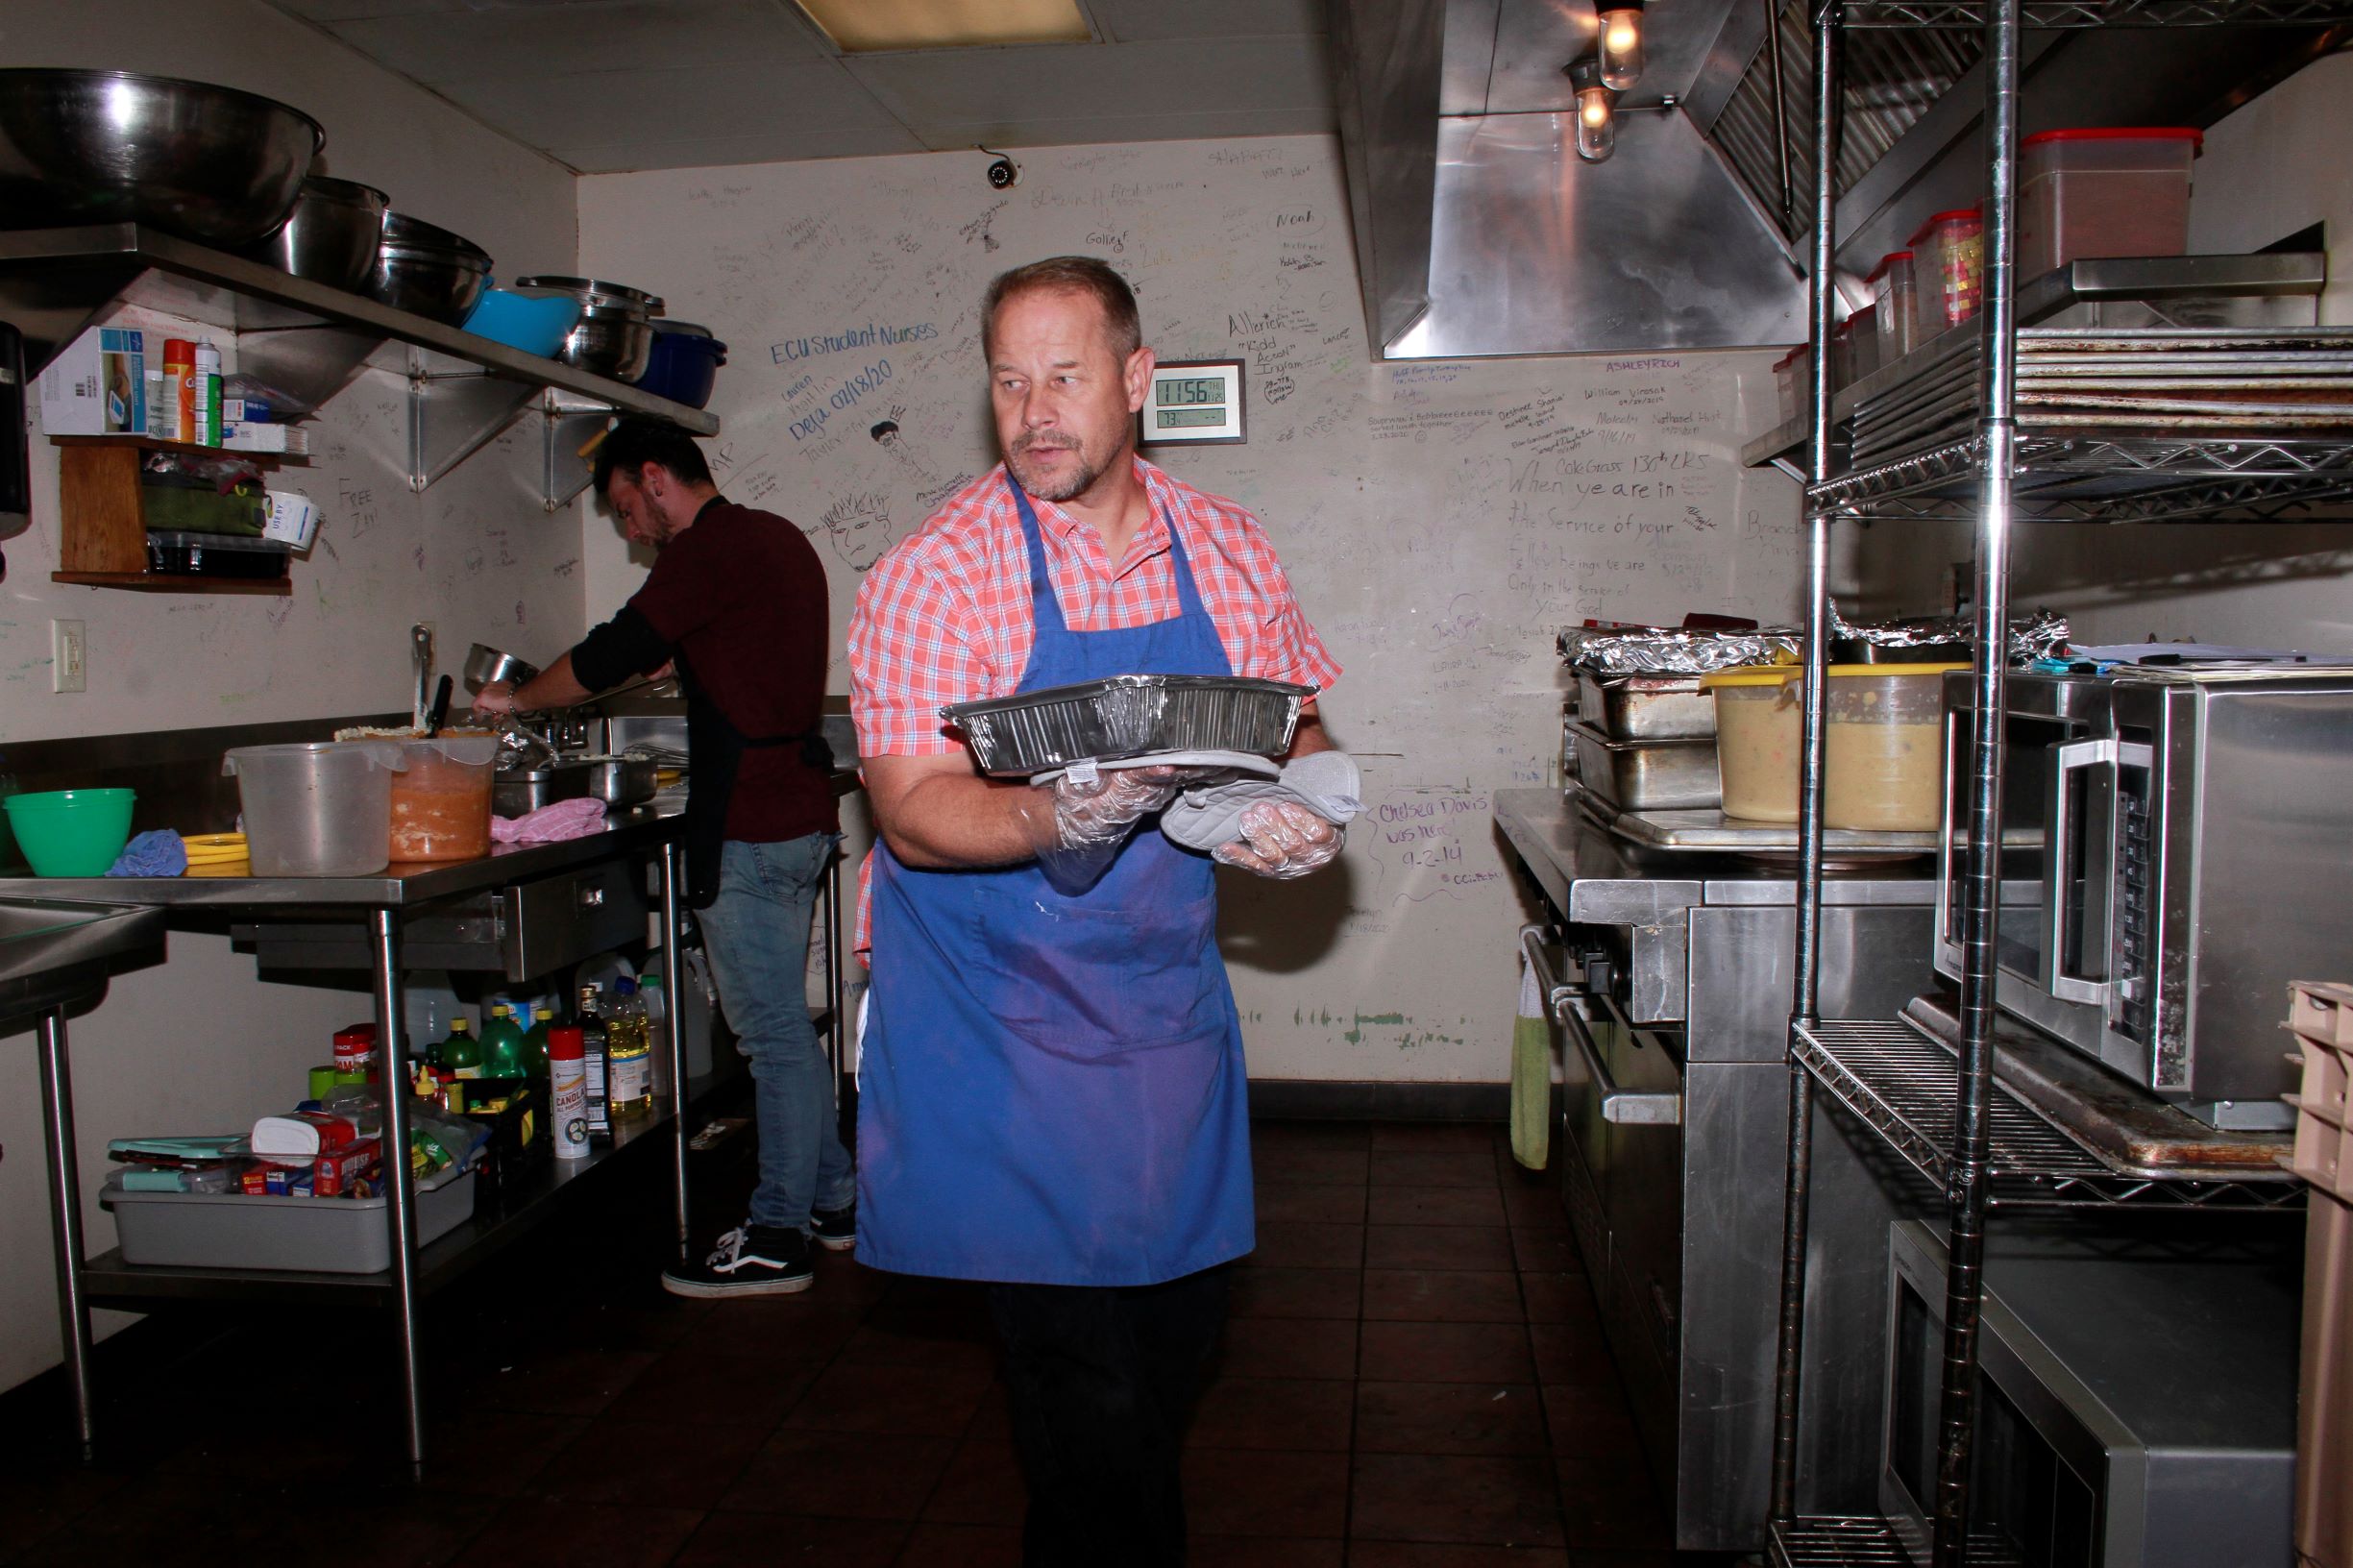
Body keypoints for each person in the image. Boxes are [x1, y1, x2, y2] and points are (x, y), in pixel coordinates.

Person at [846, 257, 1347, 1563]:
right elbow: (907, 806)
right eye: (1009, 381)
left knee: (1173, 1350)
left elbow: (1294, 725)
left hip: (1156, 1009)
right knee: (1087, 1389)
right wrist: (1054, 815)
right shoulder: (934, 576)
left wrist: (1287, 810)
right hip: (994, 1020)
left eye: (1065, 376)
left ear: (1135, 381)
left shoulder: (1228, 549)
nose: (1034, 413)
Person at [474, 416, 853, 1298]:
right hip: (796, 809)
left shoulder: (707, 551)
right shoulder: (776, 538)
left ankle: (775, 1238)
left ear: (654, 477)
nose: (629, 531)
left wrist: (518, 701)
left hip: (751, 825)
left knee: (771, 1041)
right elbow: (742, 665)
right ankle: (833, 1203)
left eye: (623, 509)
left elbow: (612, 650)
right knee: (786, 1033)